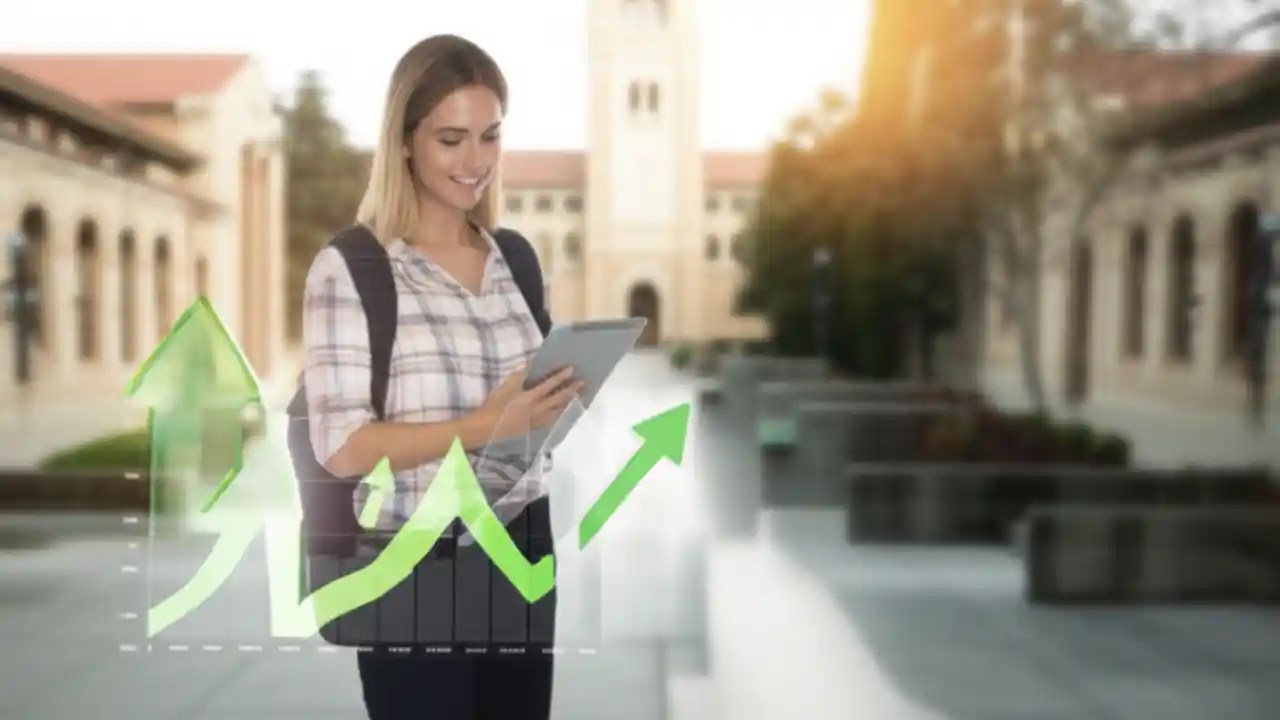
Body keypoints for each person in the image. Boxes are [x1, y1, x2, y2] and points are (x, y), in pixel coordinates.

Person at [300, 33, 581, 720]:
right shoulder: (355, 268)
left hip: (520, 545)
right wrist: (485, 425)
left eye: (490, 136)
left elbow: (528, 424)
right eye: (451, 139)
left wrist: (556, 402)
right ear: (404, 141)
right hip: (411, 560)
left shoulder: (513, 259)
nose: (475, 161)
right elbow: (342, 445)